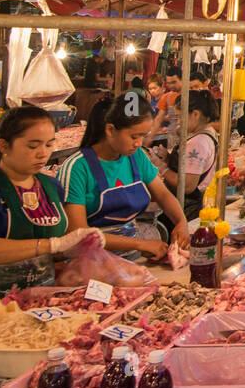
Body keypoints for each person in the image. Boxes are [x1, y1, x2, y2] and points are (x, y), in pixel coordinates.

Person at [0, 107, 102, 303]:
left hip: (40, 298)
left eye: (49, 145)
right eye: (33, 146)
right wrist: (51, 245)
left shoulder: (51, 187)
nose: (43, 154)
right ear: (4, 146)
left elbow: (60, 244)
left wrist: (77, 244)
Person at [56, 92, 190, 262]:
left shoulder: (136, 157)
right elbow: (78, 232)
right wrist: (139, 244)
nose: (139, 143)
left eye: (143, 135)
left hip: (130, 260)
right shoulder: (77, 168)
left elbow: (163, 194)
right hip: (89, 265)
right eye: (134, 136)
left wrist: (181, 221)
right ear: (111, 130)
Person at [157, 89, 220, 225]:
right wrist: (168, 159)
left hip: (188, 211)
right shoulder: (207, 133)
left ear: (195, 114)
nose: (179, 121)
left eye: (180, 117)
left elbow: (187, 186)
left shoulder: (198, 142)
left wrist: (161, 167)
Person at [145, 67, 182, 147]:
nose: (171, 86)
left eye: (174, 82)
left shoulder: (191, 95)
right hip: (173, 139)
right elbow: (158, 119)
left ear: (182, 80)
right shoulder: (167, 97)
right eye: (169, 83)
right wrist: (150, 138)